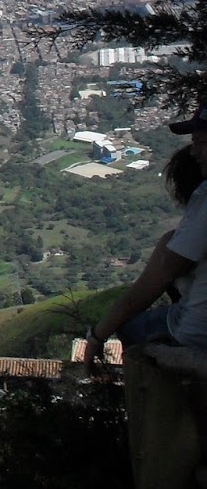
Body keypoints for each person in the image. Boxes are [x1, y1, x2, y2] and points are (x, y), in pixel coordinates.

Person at [89, 109, 207, 358]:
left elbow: (151, 285)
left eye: (202, 143)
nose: (195, 152)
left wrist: (97, 335)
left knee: (131, 328)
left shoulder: (205, 198)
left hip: (195, 333)